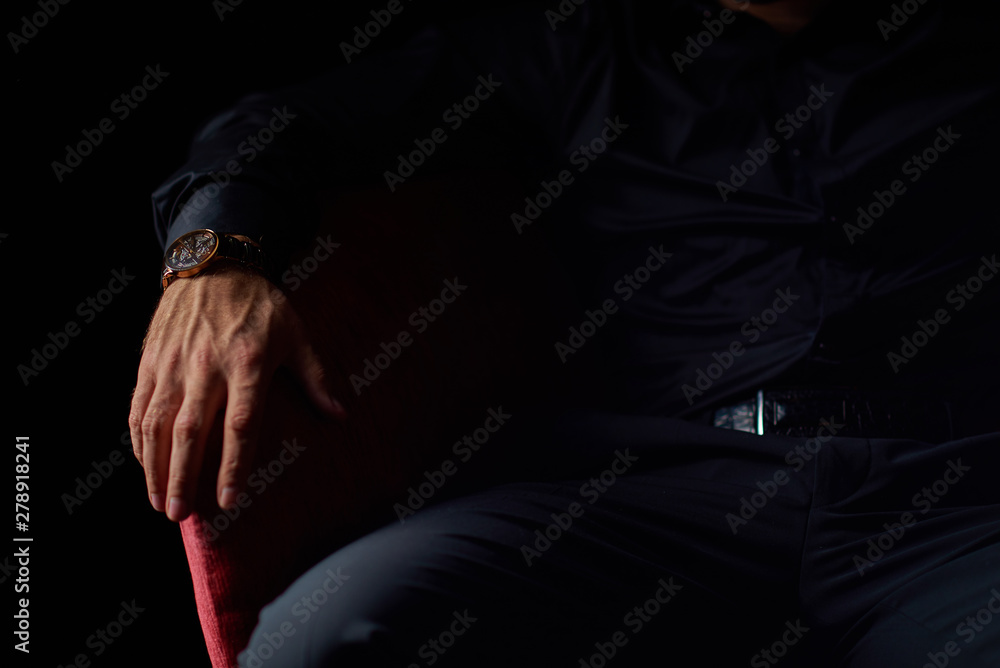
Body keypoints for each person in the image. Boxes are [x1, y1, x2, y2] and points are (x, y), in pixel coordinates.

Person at [130, 0, 1000, 665]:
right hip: (662, 495)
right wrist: (216, 258)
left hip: (951, 501)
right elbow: (283, 125)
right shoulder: (577, 44)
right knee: (324, 635)